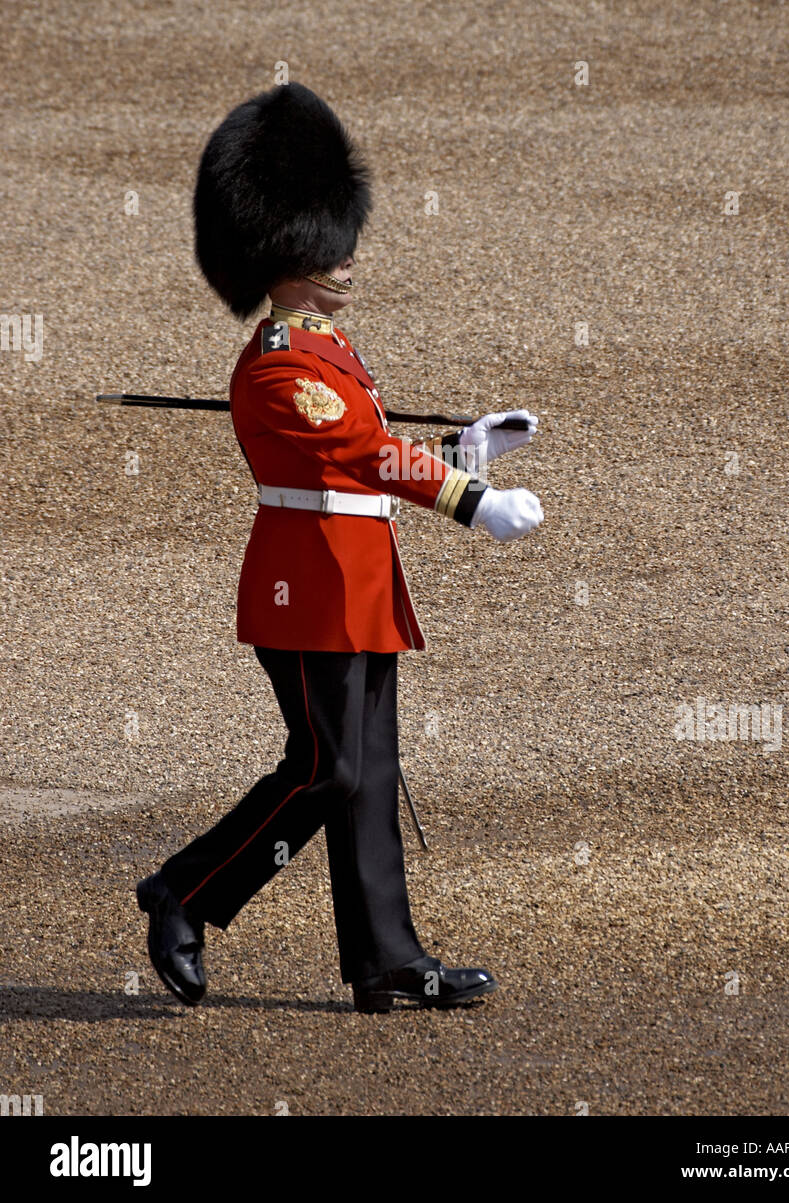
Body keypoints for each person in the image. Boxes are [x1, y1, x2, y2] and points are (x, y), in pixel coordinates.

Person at [136, 83, 544, 1013]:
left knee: (370, 768)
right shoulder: (283, 361)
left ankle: (385, 959)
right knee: (329, 769)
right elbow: (358, 451)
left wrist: (463, 448)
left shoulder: (327, 348)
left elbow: (361, 461)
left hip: (355, 578)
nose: (346, 258)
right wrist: (471, 497)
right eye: (327, 244)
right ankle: (186, 892)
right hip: (305, 586)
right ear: (285, 251)